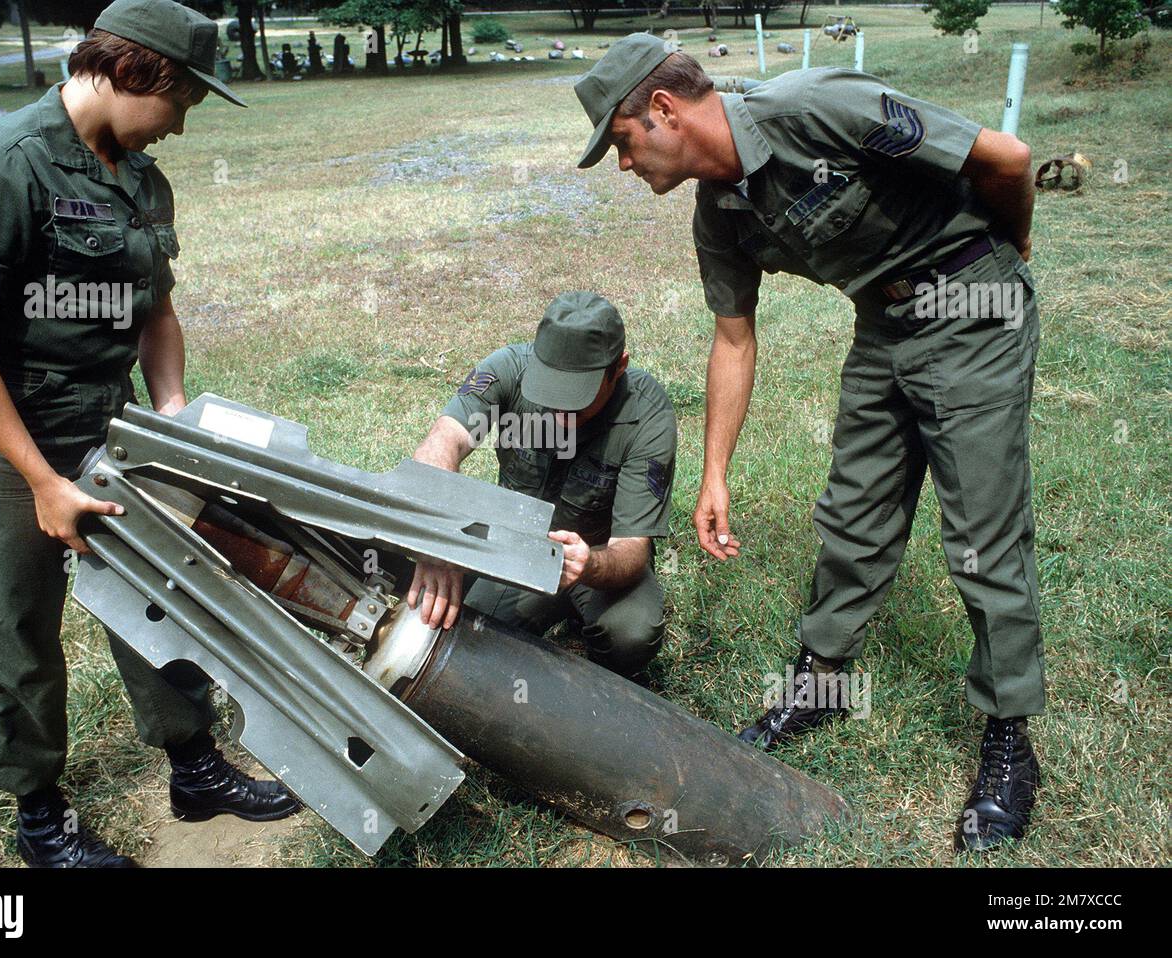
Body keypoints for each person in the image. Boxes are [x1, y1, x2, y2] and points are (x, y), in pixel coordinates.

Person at [574, 34, 1043, 852]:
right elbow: (732, 338)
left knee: (980, 533)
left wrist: (1005, 259)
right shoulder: (719, 211)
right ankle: (823, 681)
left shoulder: (816, 107)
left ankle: (1009, 738)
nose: (623, 164)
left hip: (972, 306)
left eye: (620, 142)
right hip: (884, 323)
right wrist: (714, 473)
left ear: (662, 109)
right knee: (854, 513)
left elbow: (1006, 157)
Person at [0, 0, 300, 869]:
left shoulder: (136, 174)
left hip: (113, 424)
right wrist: (41, 481)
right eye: (185, 100)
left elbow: (155, 307)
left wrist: (171, 414)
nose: (185, 121)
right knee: (19, 626)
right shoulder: (1, 166)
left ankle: (194, 767)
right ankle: (39, 815)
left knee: (161, 595)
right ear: (138, 75)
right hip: (9, 442)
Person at [405, 292, 677, 679]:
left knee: (631, 635)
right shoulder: (507, 370)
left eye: (577, 398)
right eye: (552, 393)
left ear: (618, 368)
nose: (561, 411)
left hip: (599, 555)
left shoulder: (646, 414)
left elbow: (631, 549)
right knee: (469, 635)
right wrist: (439, 541)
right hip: (517, 547)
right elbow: (443, 442)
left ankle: (584, 619)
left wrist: (590, 565)